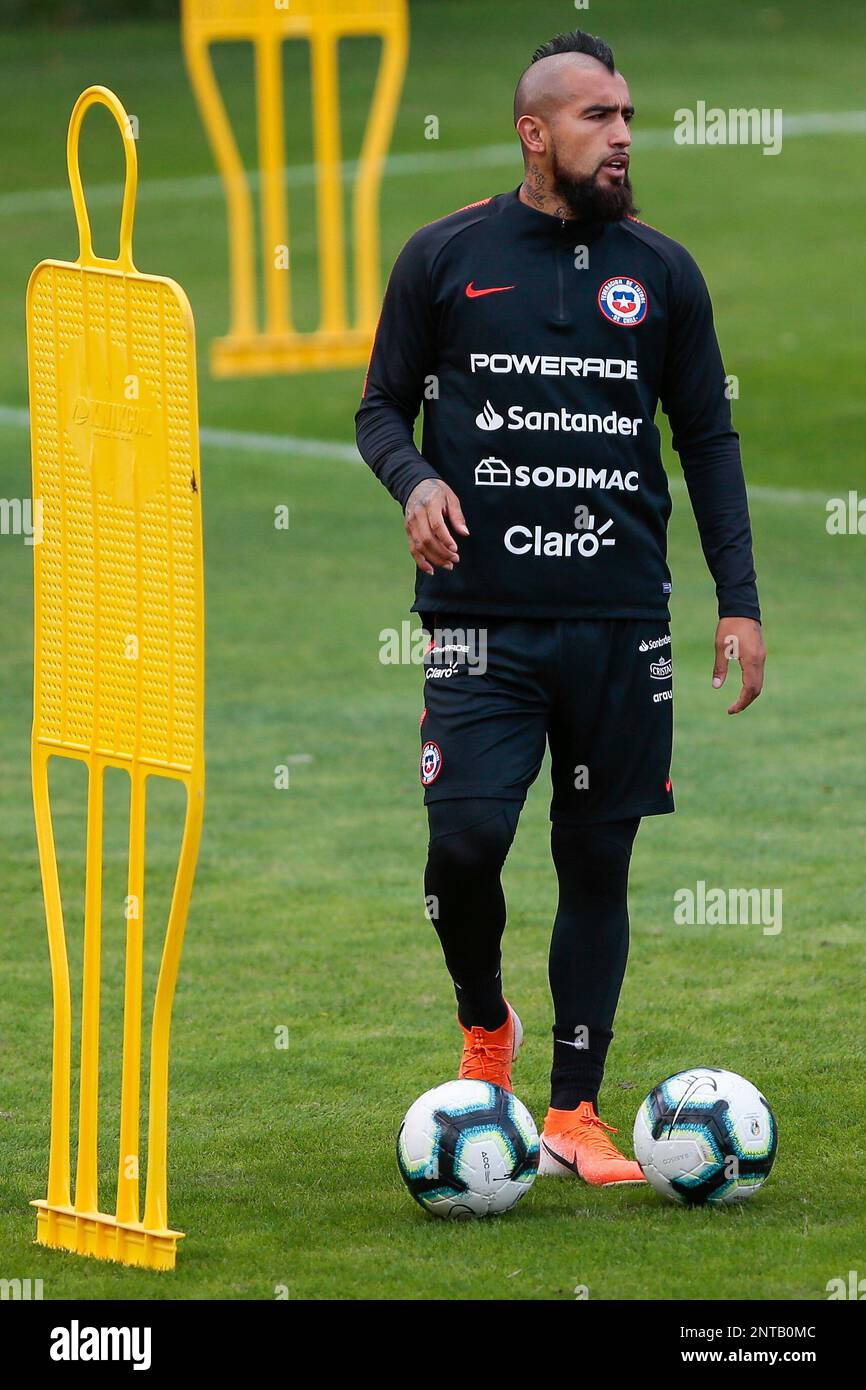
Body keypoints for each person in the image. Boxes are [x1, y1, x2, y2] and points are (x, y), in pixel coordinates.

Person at [355, 29, 765, 1185]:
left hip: (618, 622)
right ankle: (484, 1021)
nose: (622, 134)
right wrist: (417, 478)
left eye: (627, 114)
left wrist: (736, 601)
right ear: (534, 133)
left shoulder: (662, 274)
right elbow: (380, 408)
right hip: (478, 620)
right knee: (464, 842)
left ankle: (574, 1108)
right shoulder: (445, 256)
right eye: (596, 116)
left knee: (596, 863)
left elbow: (708, 440)